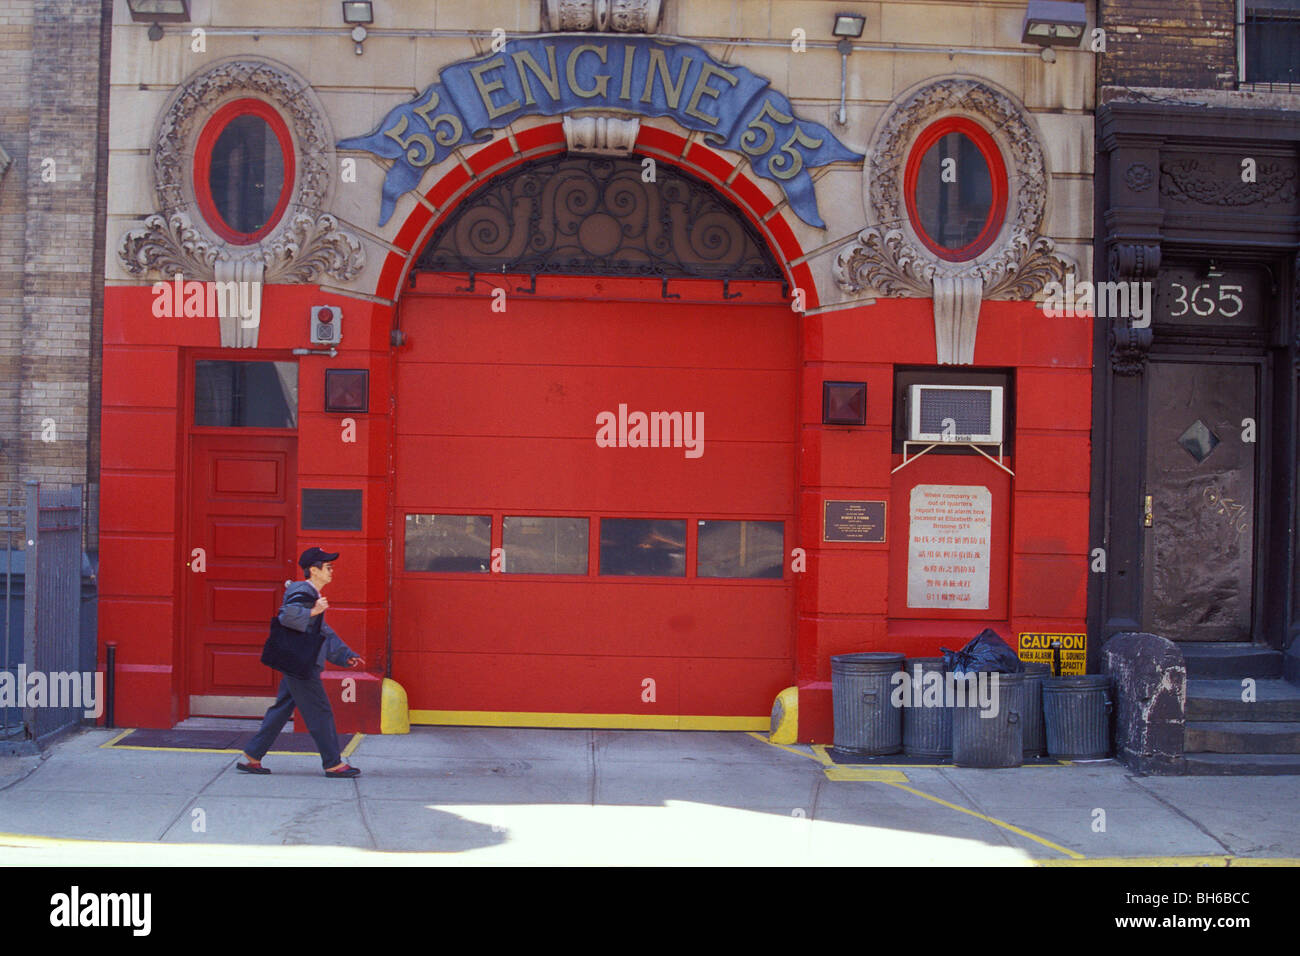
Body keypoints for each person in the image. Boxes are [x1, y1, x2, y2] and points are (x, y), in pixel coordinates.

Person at [238, 547, 365, 778]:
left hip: (295, 661)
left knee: (282, 708)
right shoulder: (302, 591)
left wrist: (344, 654)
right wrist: (314, 611)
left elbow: (322, 631)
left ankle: (252, 757)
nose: (331, 571)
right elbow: (287, 616)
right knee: (320, 711)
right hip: (301, 663)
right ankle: (333, 764)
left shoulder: (311, 593)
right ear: (313, 570)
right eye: (328, 567)